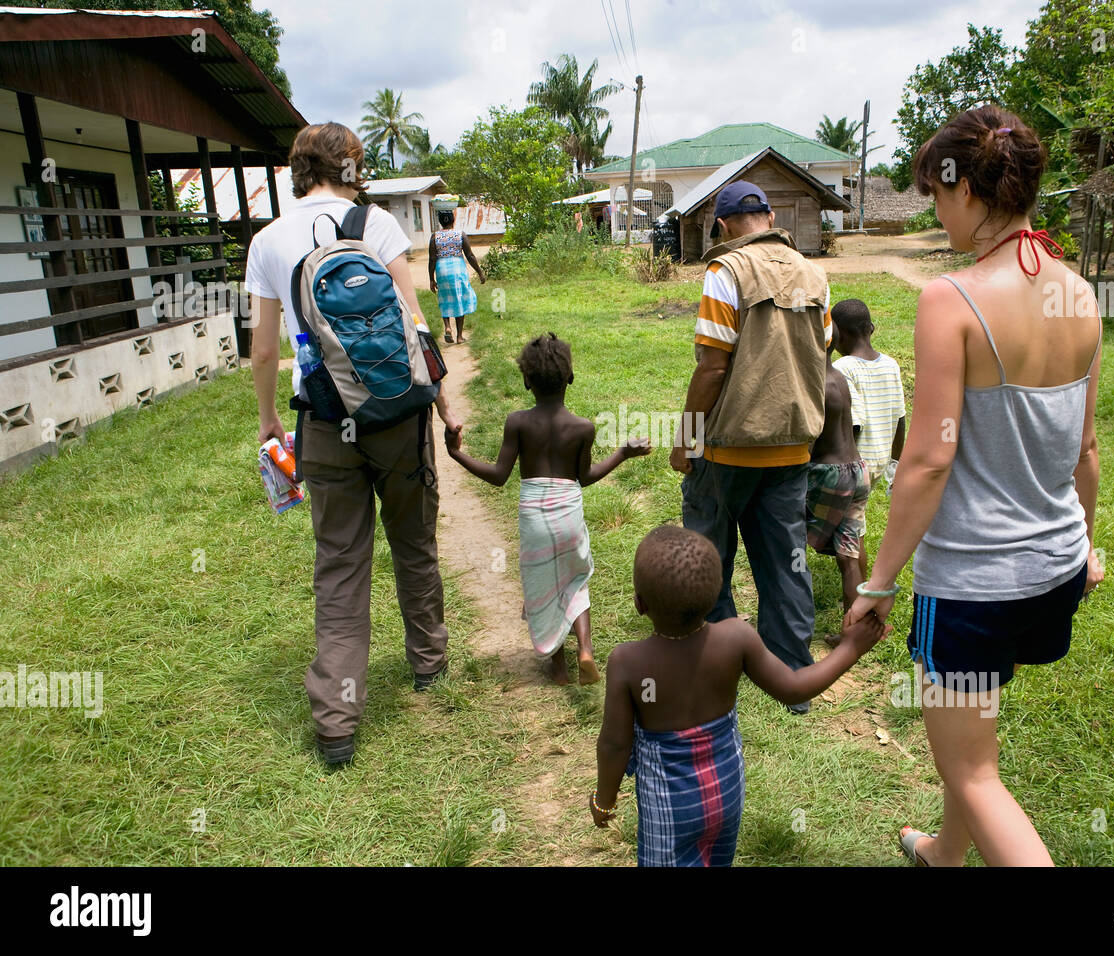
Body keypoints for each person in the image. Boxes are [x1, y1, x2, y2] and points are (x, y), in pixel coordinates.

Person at [843, 105, 1105, 866]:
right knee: (975, 734)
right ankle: (943, 854)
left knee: (972, 767)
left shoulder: (949, 300)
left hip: (974, 587)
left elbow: (926, 461)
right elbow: (1085, 448)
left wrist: (880, 581)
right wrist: (1086, 546)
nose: (935, 209)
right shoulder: (1080, 296)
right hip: (1055, 570)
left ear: (966, 191)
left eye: (935, 192)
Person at [247, 122, 463, 767]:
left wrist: (268, 423)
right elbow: (414, 322)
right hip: (396, 415)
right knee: (414, 541)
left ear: (297, 169)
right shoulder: (376, 225)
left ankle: (337, 724)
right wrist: (442, 403)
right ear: (347, 166)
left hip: (321, 417)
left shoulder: (268, 240)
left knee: (340, 565)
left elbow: (262, 348)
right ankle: (428, 663)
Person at [589, 525, 887, 866]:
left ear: (640, 604)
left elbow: (614, 744)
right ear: (716, 592)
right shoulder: (736, 638)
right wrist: (851, 648)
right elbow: (795, 688)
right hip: (725, 791)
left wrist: (604, 800)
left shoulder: (628, 662)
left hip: (669, 805)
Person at [669, 180, 832, 714]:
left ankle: (716, 665)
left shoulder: (725, 272)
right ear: (769, 215)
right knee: (785, 561)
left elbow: (712, 366)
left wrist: (686, 437)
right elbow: (821, 354)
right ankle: (791, 679)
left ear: (722, 225)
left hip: (727, 449)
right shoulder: (815, 273)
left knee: (707, 559)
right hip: (792, 448)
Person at [445, 333, 650, 684]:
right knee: (576, 580)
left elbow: (498, 476)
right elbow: (585, 477)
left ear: (526, 380)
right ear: (570, 377)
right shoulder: (583, 427)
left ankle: (557, 666)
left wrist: (456, 454)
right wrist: (623, 453)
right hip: (569, 516)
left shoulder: (518, 422)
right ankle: (585, 648)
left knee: (542, 587)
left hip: (535, 520)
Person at [831, 298, 906, 591]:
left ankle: (860, 597)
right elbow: (900, 419)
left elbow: (852, 425)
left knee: (851, 539)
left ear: (837, 334)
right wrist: (894, 465)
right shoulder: (891, 364)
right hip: (880, 460)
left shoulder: (844, 367)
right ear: (871, 328)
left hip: (855, 464)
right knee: (851, 524)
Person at [806, 323, 871, 624]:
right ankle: (854, 629)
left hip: (829, 474)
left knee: (789, 533)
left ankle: (793, 614)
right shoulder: (839, 377)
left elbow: (809, 440)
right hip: (858, 471)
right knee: (848, 555)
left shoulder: (814, 383)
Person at [428, 210, 485, 345]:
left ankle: (447, 327)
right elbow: (469, 256)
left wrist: (431, 279)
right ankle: (459, 336)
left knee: (445, 297)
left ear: (440, 222)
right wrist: (480, 272)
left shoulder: (434, 237)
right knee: (459, 298)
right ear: (453, 220)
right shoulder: (460, 234)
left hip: (442, 269)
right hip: (457, 268)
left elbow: (432, 259)